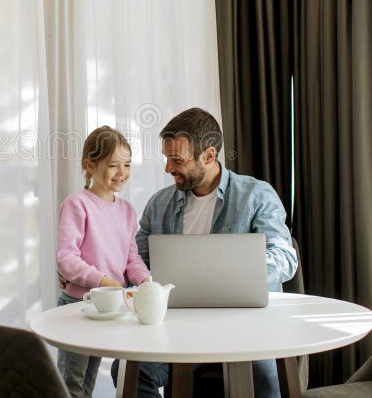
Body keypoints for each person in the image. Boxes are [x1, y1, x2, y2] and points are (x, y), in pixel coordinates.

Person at [111, 107, 297, 398]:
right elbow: (135, 264)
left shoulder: (256, 195)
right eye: (166, 158)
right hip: (178, 332)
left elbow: (285, 258)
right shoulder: (159, 204)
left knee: (264, 385)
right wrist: (93, 274)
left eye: (177, 160)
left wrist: (235, 272)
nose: (168, 168)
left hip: (246, 333)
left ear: (208, 156)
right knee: (130, 371)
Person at [56, 126, 152, 398]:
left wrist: (145, 279)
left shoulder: (127, 211)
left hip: (108, 308)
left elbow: (130, 258)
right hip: (78, 307)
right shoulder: (77, 204)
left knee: (87, 382)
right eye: (113, 165)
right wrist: (103, 281)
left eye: (127, 164)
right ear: (89, 165)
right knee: (70, 384)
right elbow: (66, 258)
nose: (122, 172)